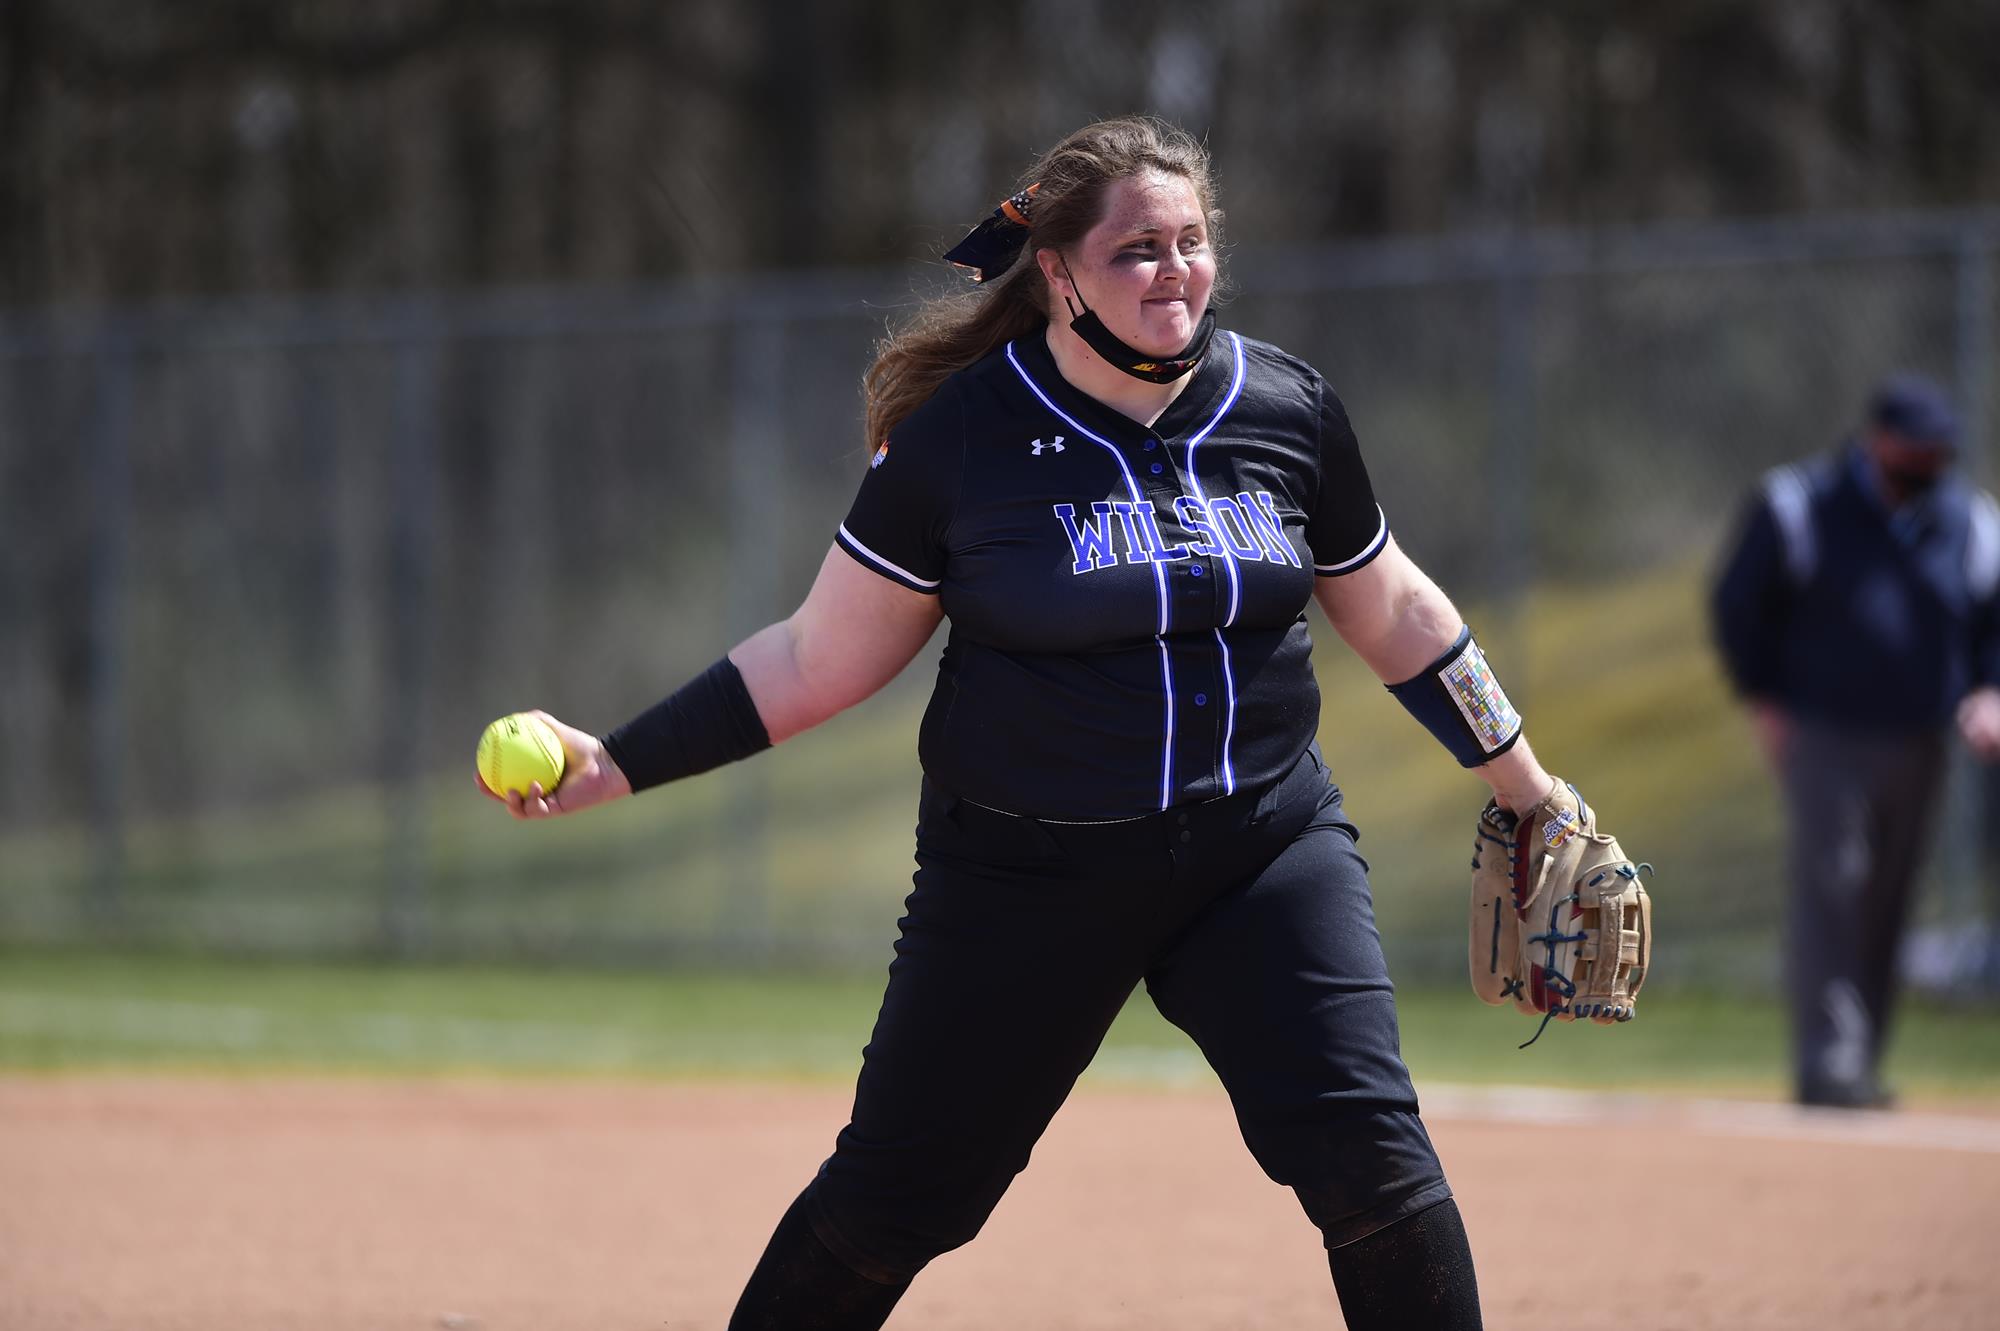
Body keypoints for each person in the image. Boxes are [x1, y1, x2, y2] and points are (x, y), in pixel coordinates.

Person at [481, 117, 1575, 1330]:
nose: (1175, 270)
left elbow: (1397, 609)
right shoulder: (963, 440)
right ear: (1054, 273)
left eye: (1192, 241)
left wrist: (1528, 785)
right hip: (1023, 871)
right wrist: (616, 760)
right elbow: (811, 659)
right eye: (1134, 250)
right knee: (900, 1195)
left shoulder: (1284, 407)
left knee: (1370, 1160)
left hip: (1258, 849)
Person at [1711, 372, 2000, 1109]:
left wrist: (1989, 690)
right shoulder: (1801, 504)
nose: (1926, 465)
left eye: (1938, 451)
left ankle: (1860, 1060)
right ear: (1878, 441)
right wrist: (1766, 701)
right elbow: (1739, 604)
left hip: (1923, 737)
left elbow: (1990, 620)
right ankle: (1828, 1060)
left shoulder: (1967, 520)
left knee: (1888, 896)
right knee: (1832, 885)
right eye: (1913, 448)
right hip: (1826, 732)